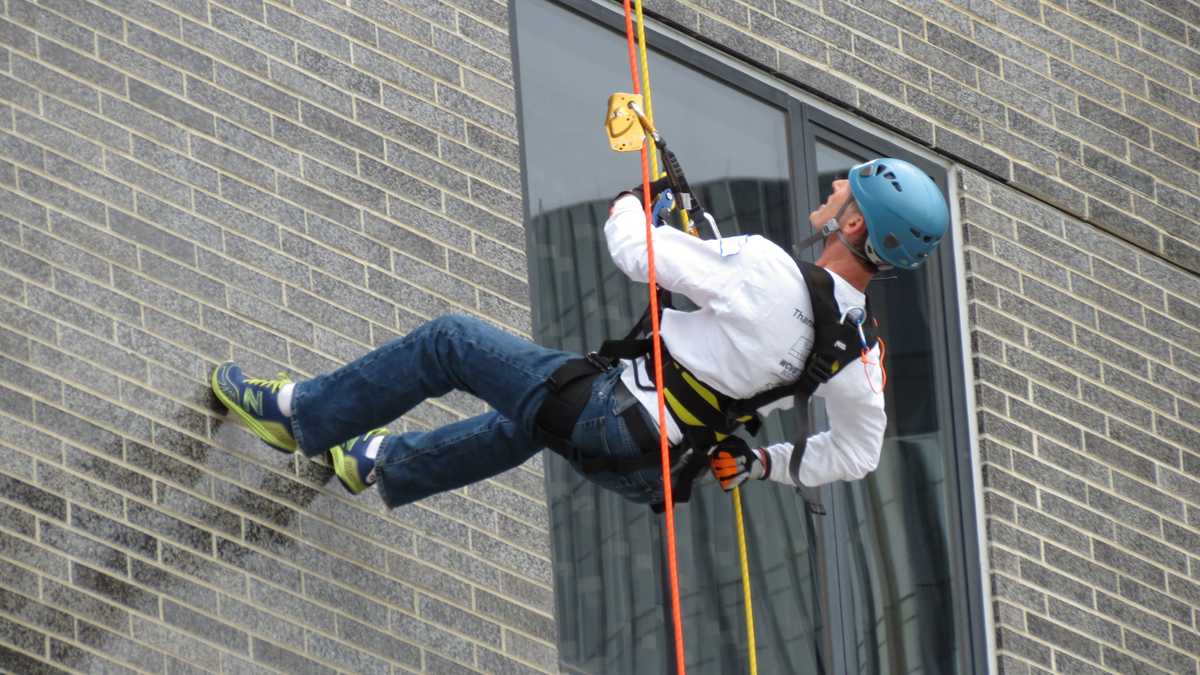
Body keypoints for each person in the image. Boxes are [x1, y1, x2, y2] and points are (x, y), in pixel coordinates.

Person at [210, 158, 949, 510]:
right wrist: (762, 466)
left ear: (854, 225)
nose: (832, 190)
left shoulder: (764, 270)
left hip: (615, 413)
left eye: (845, 190)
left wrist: (635, 200)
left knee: (451, 342)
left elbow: (635, 254)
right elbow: (857, 453)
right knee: (534, 417)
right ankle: (379, 461)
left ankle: (297, 414)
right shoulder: (858, 356)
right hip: (653, 464)